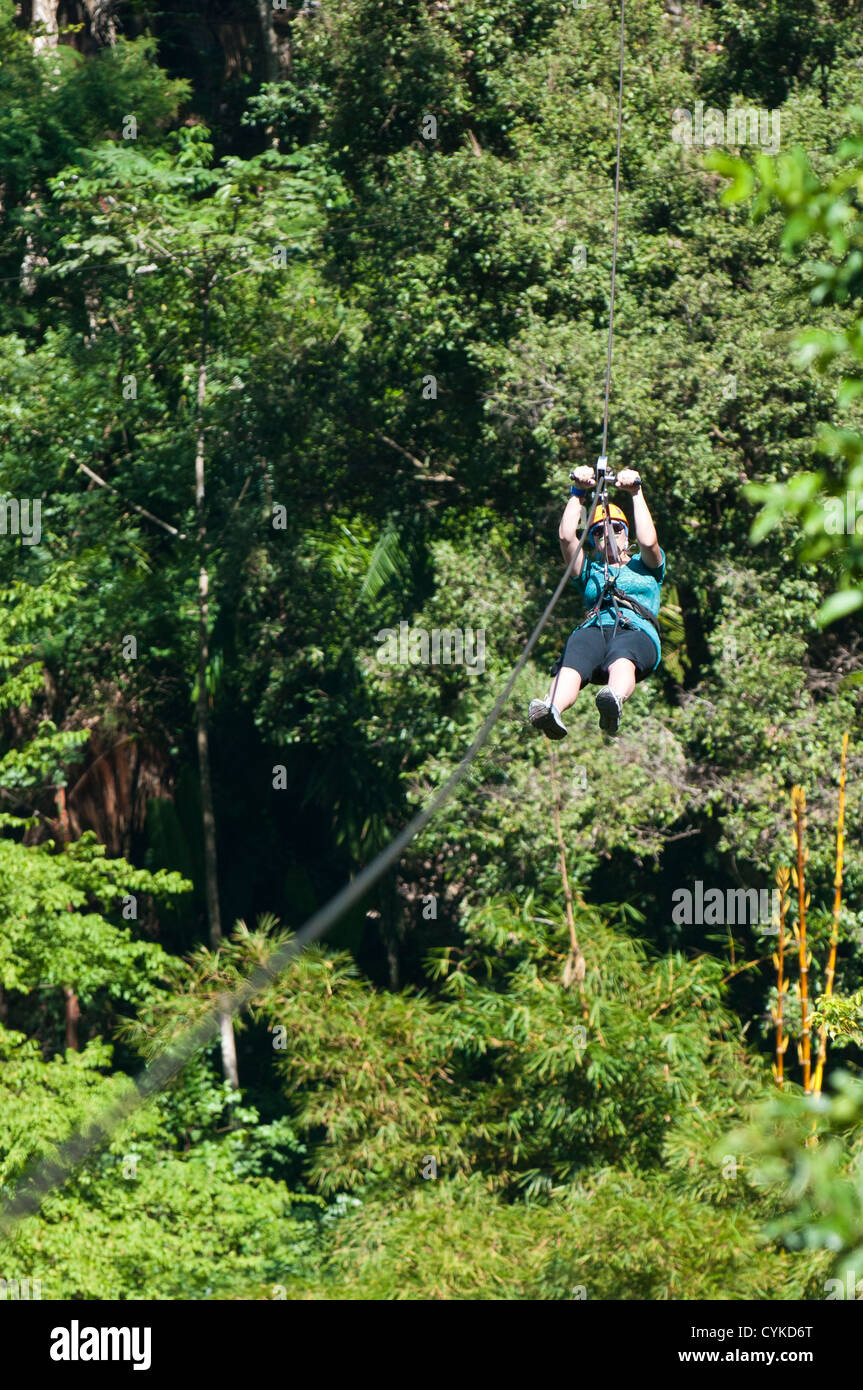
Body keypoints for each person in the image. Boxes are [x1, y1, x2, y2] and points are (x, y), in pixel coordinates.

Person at [529, 465, 665, 738]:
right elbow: (567, 537)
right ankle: (551, 708)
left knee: (623, 652)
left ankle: (613, 698)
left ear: (626, 534)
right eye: (599, 533)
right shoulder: (589, 571)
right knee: (577, 648)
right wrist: (577, 492)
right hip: (596, 628)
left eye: (615, 528)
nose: (608, 535)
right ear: (593, 541)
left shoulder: (646, 566)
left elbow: (649, 542)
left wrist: (636, 492)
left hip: (636, 630)